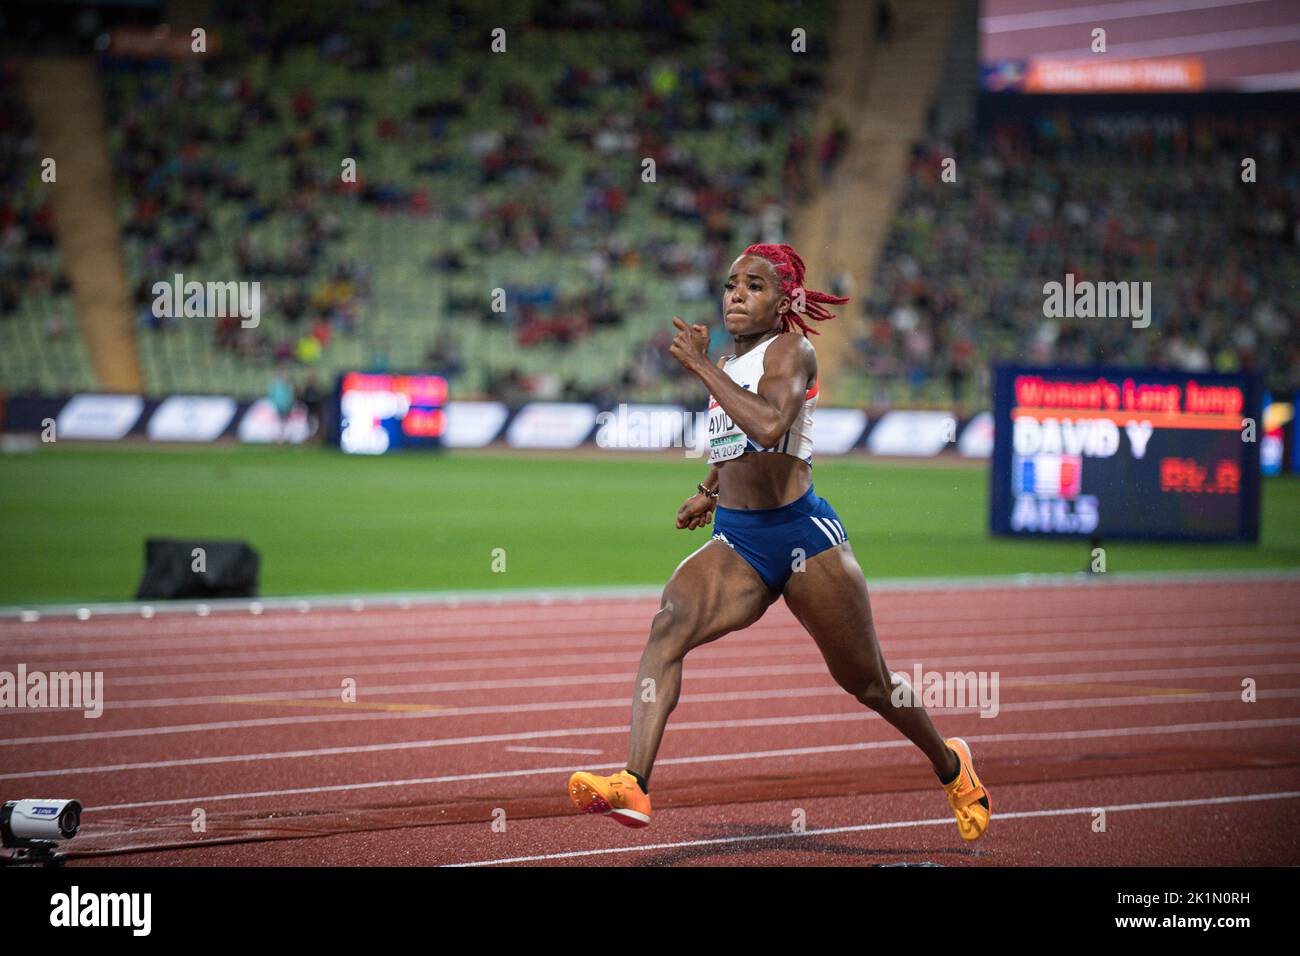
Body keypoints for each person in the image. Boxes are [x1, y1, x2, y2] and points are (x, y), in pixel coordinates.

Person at [567, 243, 990, 841]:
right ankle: (634, 782)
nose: (737, 293)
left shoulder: (793, 350)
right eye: (732, 283)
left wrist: (701, 367)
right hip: (738, 540)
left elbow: (768, 425)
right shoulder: (728, 362)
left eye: (755, 286)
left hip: (801, 538)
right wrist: (709, 491)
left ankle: (951, 766)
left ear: (784, 300)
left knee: (867, 681)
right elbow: (735, 439)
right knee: (669, 624)